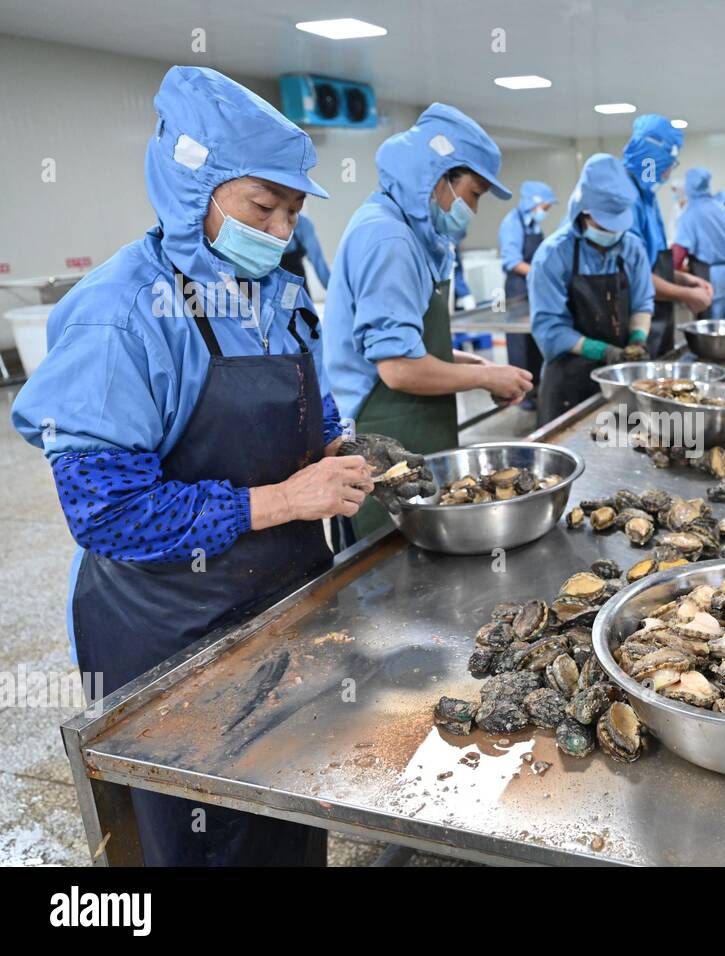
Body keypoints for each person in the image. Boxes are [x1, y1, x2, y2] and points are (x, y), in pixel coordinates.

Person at [10, 66, 369, 865]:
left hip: (281, 607)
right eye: (261, 207)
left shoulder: (276, 293)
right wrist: (282, 499)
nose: (280, 232)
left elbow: (316, 411)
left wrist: (336, 453)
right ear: (190, 187)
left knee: (288, 814)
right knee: (211, 834)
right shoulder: (121, 315)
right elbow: (108, 513)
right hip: (173, 629)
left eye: (293, 212)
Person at [324, 103, 531, 538]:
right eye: (473, 194)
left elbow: (403, 344)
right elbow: (398, 369)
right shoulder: (389, 237)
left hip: (415, 427)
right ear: (439, 180)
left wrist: (471, 365)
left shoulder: (415, 236)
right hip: (383, 435)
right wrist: (485, 378)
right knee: (385, 576)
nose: (473, 209)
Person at [530, 154, 655, 421]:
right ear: (583, 211)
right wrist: (602, 351)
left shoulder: (632, 248)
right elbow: (549, 329)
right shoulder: (553, 255)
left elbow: (643, 302)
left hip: (620, 376)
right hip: (568, 379)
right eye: (604, 224)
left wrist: (637, 339)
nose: (611, 233)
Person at [621, 115, 712, 354]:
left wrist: (683, 279)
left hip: (659, 317)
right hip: (636, 323)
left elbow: (651, 264)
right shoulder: (627, 201)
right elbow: (634, 275)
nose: (671, 170)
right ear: (654, 161)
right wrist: (685, 294)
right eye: (669, 163)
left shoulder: (648, 198)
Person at [499, 180, 555, 406]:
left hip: (533, 287)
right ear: (534, 203)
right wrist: (538, 274)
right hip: (517, 288)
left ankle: (535, 389)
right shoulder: (512, 223)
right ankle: (520, 394)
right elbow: (512, 261)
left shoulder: (533, 224)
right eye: (545, 207)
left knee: (534, 340)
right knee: (519, 342)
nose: (545, 212)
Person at [672, 167, 725, 318]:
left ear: (688, 187)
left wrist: (667, 275)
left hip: (713, 279)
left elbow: (679, 251)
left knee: (712, 327)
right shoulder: (721, 208)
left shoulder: (690, 214)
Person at [279, 209, 331, 296]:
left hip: (295, 283)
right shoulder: (258, 224)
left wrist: (333, 290)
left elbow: (317, 260)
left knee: (299, 307)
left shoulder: (303, 224)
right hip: (264, 287)